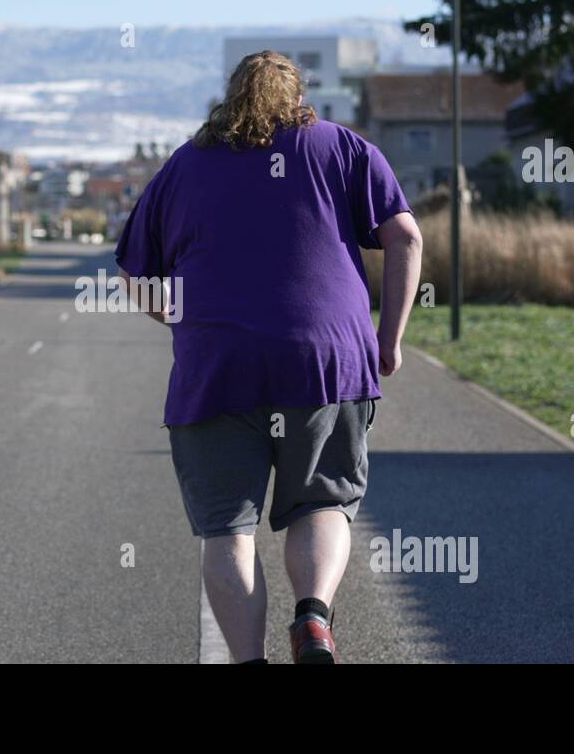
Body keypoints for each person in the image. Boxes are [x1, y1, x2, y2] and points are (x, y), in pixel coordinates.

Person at [114, 50, 423, 663]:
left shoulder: (185, 165)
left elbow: (135, 276)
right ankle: (312, 618)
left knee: (228, 528)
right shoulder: (343, 148)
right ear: (298, 93)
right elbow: (405, 235)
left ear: (230, 96)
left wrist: (189, 322)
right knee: (322, 501)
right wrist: (389, 338)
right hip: (326, 358)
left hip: (219, 366)